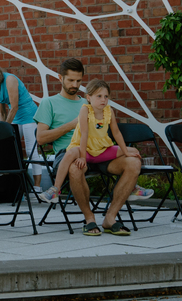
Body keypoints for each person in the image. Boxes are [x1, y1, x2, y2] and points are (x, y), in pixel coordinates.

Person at [43, 79, 140, 236]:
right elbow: (84, 135)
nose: (103, 100)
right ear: (88, 97)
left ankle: (115, 212)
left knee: (133, 154)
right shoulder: (85, 110)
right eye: (99, 96)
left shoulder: (109, 110)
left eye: (106, 96)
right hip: (85, 148)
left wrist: (126, 151)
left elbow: (116, 133)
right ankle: (56, 189)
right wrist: (82, 157)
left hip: (102, 149)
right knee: (72, 156)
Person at [0, 60, 46, 201]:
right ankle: (15, 186)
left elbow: (14, 107)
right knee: (11, 150)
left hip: (29, 116)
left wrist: (6, 128)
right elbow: (3, 113)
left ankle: (37, 188)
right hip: (15, 118)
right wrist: (2, 131)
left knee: (31, 151)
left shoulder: (10, 79)